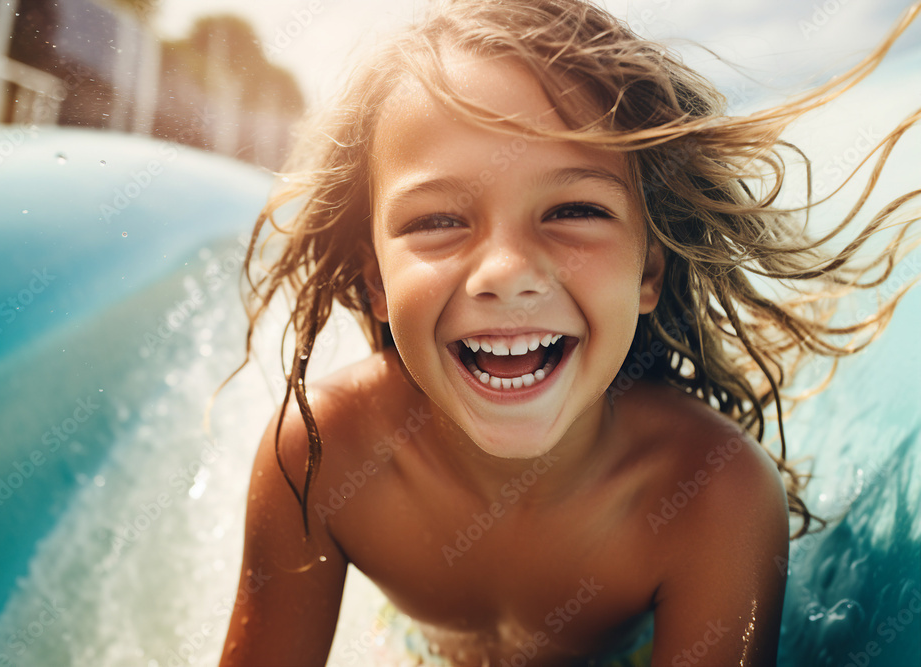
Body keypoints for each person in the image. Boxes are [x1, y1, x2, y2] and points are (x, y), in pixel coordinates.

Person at [217, 1, 920, 665]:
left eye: (573, 210)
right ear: (376, 279)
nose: (507, 273)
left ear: (649, 270)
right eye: (438, 221)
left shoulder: (713, 495)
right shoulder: (320, 457)